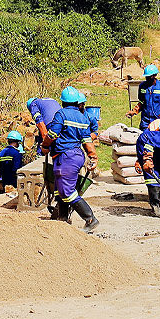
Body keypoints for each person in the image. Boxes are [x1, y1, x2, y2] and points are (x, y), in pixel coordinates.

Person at [41, 86, 100, 232]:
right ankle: (62, 219)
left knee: (67, 191)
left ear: (63, 102)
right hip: (76, 156)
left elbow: (53, 134)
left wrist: (44, 146)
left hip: (65, 157)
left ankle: (90, 219)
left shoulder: (61, 114)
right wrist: (93, 157)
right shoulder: (82, 117)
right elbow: (87, 141)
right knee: (59, 191)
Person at [126, 64, 160, 131]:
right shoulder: (142, 86)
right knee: (144, 137)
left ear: (154, 75)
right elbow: (141, 102)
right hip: (145, 120)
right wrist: (134, 111)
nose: (147, 78)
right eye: (146, 77)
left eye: (149, 77)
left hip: (157, 120)